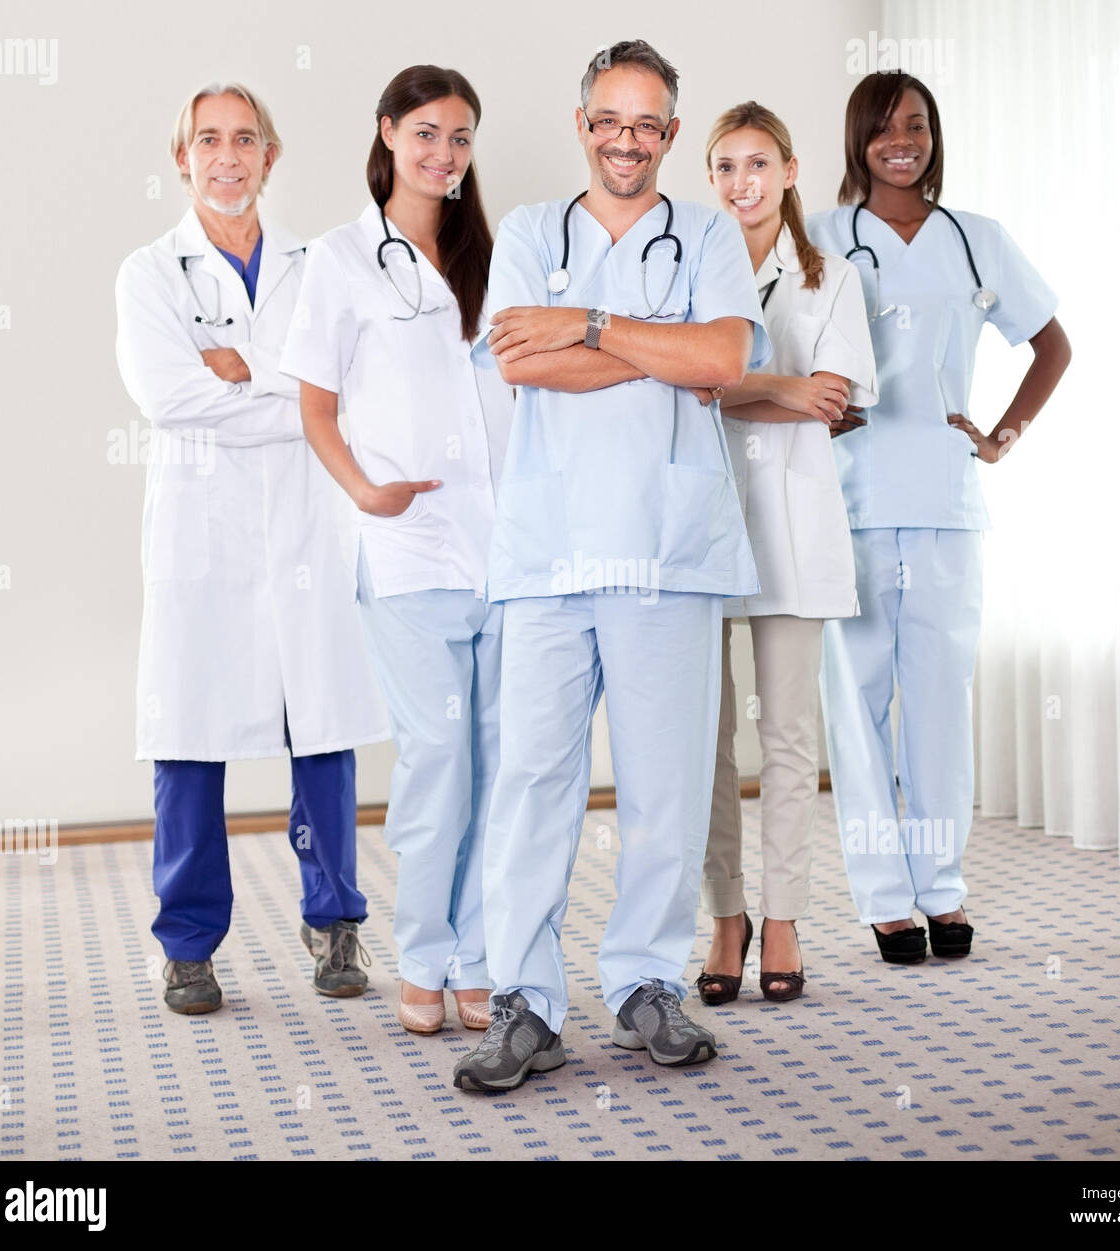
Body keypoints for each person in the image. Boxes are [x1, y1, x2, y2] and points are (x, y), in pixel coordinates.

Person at [451, 39, 771, 1092]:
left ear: (670, 136)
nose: (626, 139)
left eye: (648, 124)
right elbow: (515, 358)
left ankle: (643, 985)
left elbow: (724, 361)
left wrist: (587, 324)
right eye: (609, 120)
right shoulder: (534, 230)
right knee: (532, 785)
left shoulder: (711, 233)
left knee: (663, 787)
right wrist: (655, 346)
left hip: (667, 551)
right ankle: (526, 1004)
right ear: (582, 124)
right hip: (547, 552)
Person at [115, 83, 390, 1014]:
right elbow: (168, 397)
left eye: (246, 140)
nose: (227, 156)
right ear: (180, 156)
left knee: (321, 730)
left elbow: (349, 390)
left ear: (271, 157)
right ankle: (189, 944)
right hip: (204, 541)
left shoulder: (322, 269)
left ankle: (335, 920)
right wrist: (294, 398)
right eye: (208, 140)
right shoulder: (149, 275)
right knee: (189, 738)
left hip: (309, 531)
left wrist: (243, 376)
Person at [807, 71, 1071, 963]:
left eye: (915, 124)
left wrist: (1003, 434)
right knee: (858, 706)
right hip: (851, 503)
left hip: (949, 505)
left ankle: (943, 889)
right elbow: (776, 352)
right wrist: (818, 408)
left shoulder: (976, 240)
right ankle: (885, 899)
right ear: (859, 140)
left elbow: (1052, 343)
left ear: (933, 134)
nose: (901, 141)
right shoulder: (822, 238)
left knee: (938, 707)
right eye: (883, 128)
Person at [281, 67, 512, 1036]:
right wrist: (366, 491)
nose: (443, 154)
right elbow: (315, 405)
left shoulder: (491, 257)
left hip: (503, 551)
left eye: (459, 138)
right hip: (408, 548)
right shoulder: (340, 258)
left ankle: (480, 956)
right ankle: (425, 950)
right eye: (425, 133)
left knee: (502, 765)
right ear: (387, 133)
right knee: (436, 760)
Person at [698, 102, 878, 1004]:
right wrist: (781, 387)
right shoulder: (691, 269)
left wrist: (740, 387)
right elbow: (688, 385)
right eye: (725, 167)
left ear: (791, 170)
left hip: (797, 532)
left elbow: (832, 401)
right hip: (705, 527)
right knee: (707, 740)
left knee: (788, 737)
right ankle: (725, 913)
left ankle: (782, 919)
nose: (742, 184)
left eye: (758, 164)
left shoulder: (831, 278)